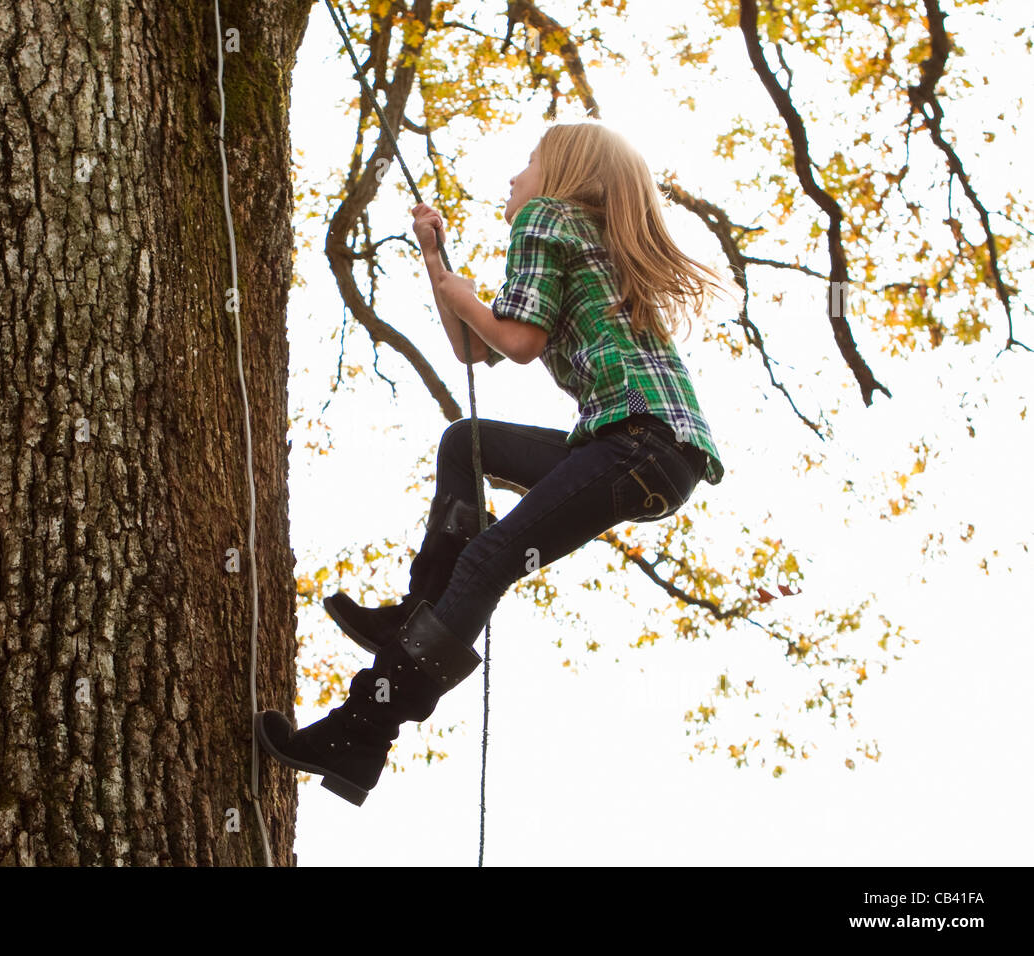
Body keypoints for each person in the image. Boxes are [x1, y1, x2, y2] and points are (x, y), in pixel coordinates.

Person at [256, 122, 730, 806]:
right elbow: (475, 350)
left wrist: (459, 296)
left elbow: (518, 343)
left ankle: (362, 731)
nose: (514, 178)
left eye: (528, 163)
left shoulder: (548, 218)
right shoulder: (578, 233)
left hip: (638, 442)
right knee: (467, 441)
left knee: (488, 560)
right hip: (650, 451)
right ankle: (416, 613)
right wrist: (437, 265)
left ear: (562, 172)